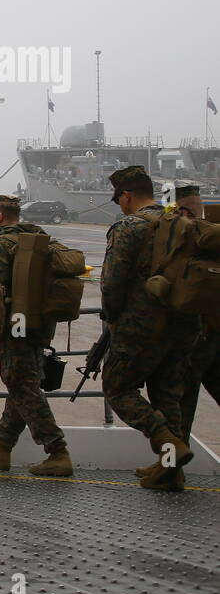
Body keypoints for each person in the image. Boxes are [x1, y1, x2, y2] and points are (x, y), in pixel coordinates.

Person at [99, 166, 197, 491]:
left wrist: (112, 318)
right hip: (184, 324)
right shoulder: (182, 223)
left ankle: (165, 441)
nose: (120, 205)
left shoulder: (129, 226)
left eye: (119, 199)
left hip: (140, 325)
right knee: (167, 394)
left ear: (126, 196)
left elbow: (112, 284)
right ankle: (171, 471)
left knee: (117, 388)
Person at [0, 194, 72, 476]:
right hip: (41, 324)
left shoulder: (0, 244)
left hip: (14, 326)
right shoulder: (43, 239)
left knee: (22, 385)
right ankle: (2, 447)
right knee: (23, 381)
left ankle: (57, 451)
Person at [175, 186, 219, 448]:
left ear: (182, 209)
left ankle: (171, 467)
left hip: (193, 333)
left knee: (180, 399)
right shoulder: (211, 236)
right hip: (215, 329)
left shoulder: (187, 238)